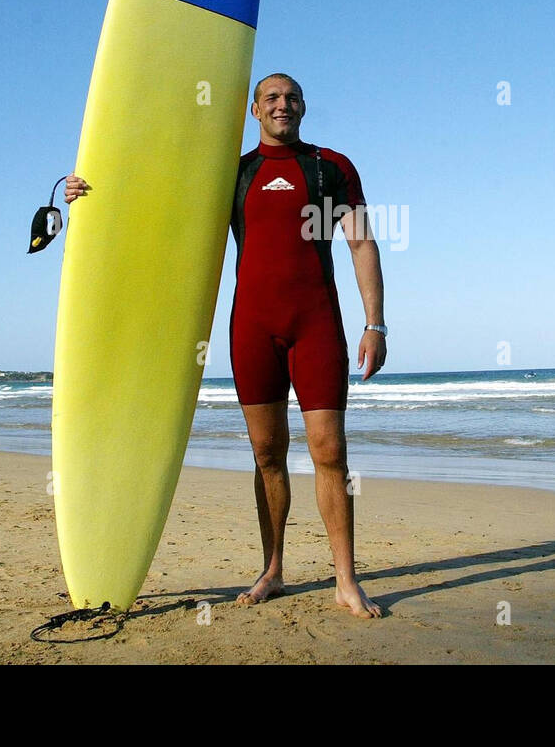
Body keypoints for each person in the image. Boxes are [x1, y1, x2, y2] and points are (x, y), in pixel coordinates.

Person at [64, 72, 387, 618]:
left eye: (291, 97)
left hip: (317, 326)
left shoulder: (330, 168)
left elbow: (361, 242)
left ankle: (346, 579)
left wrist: (375, 325)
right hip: (252, 329)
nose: (282, 105)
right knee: (267, 454)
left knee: (330, 451)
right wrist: (93, 187)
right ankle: (274, 568)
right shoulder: (234, 174)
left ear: (303, 106)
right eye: (272, 98)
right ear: (252, 110)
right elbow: (161, 209)